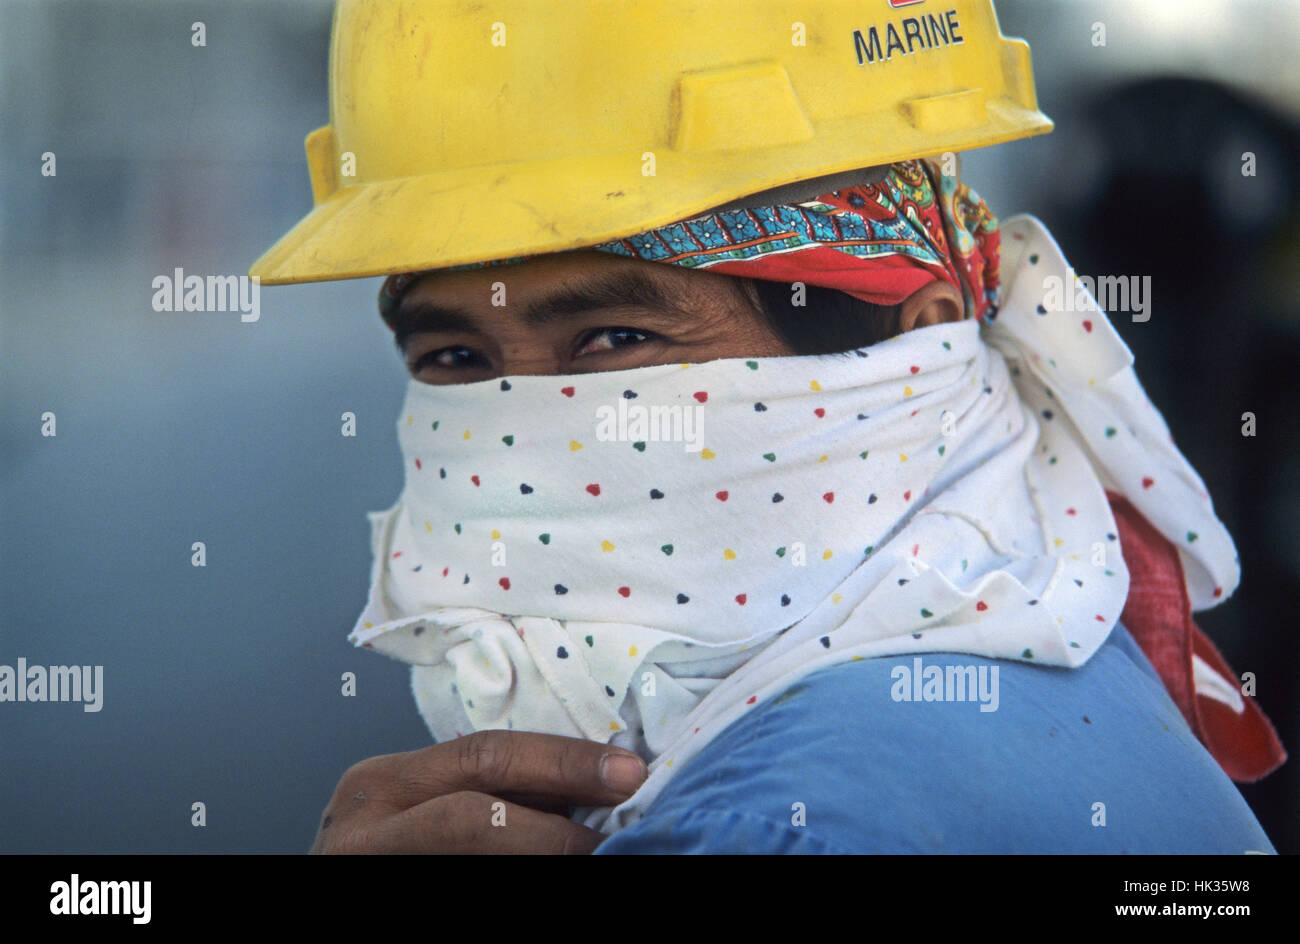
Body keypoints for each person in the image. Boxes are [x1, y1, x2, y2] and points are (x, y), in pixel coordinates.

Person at [252, 1, 1284, 854]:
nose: (522, 432)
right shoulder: (1034, 626)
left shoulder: (778, 825)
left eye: (613, 339)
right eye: (457, 361)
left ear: (910, 346)